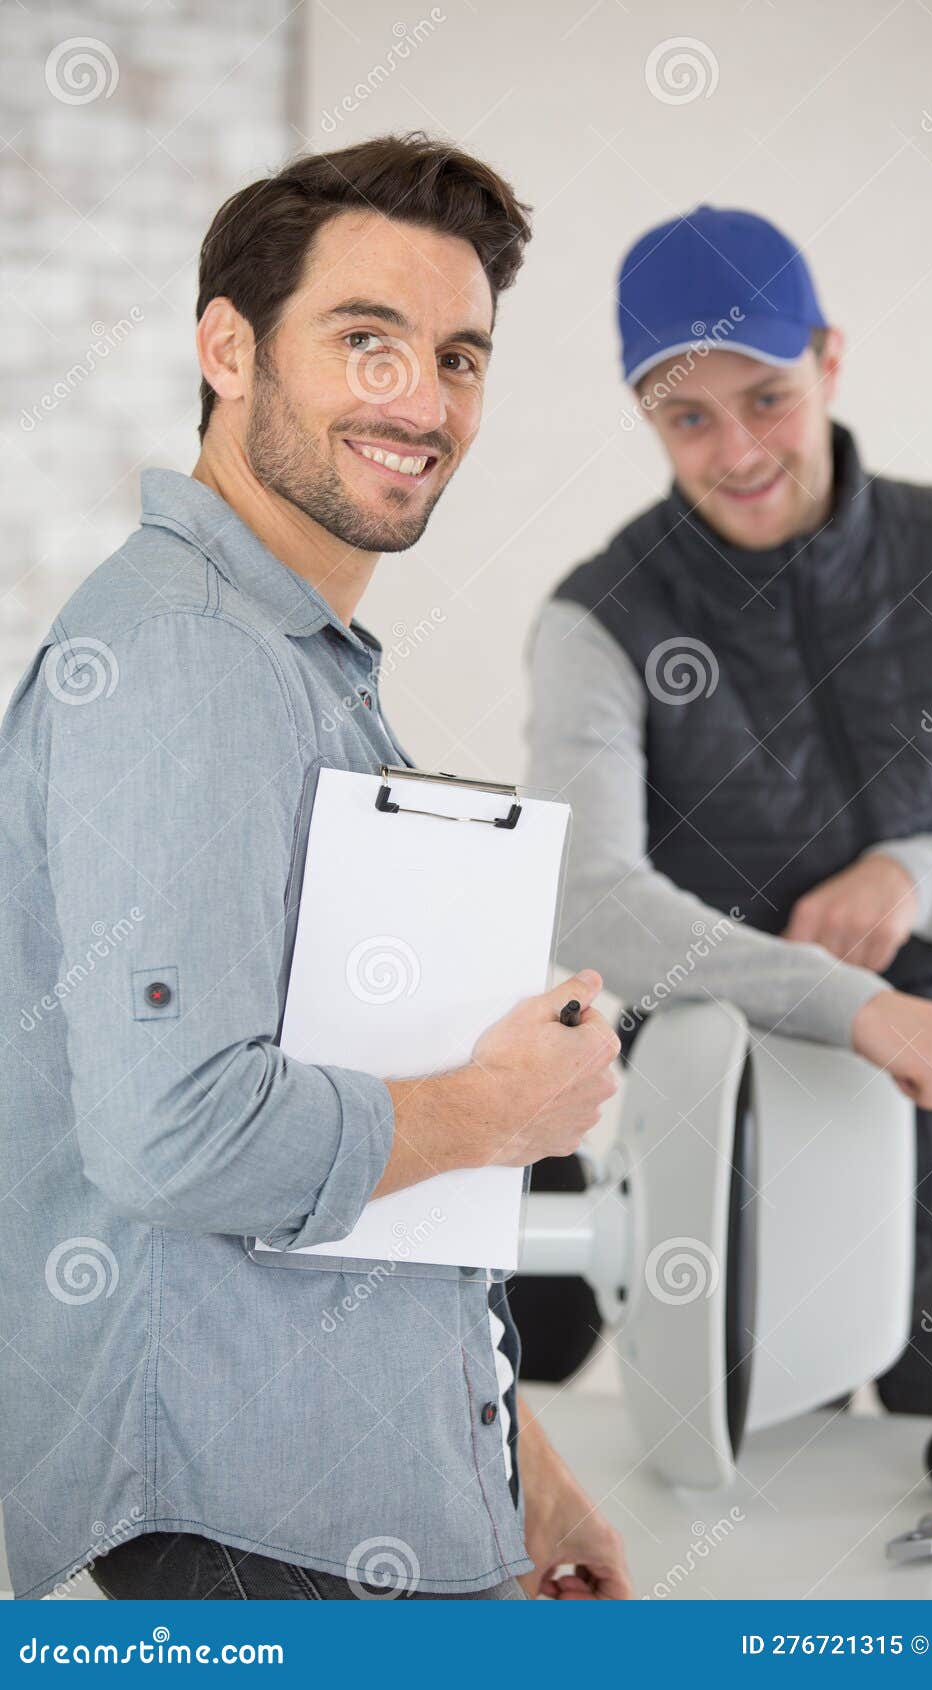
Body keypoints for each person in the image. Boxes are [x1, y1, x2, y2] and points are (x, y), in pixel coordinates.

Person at [0, 135, 632, 1602]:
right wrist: (503, 1108)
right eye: (366, 342)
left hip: (344, 1493)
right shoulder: (186, 656)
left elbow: (346, 1136)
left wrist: (518, 1471)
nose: (421, 402)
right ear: (228, 348)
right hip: (246, 1525)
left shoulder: (305, 666)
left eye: (458, 358)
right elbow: (181, 1137)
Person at [515, 204, 932, 1420]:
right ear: (646, 416)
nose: (736, 449)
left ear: (827, 357)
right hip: (744, 1177)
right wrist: (858, 1007)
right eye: (686, 416)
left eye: (764, 395)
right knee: (770, 1553)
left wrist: (918, 877)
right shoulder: (596, 619)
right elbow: (590, 899)